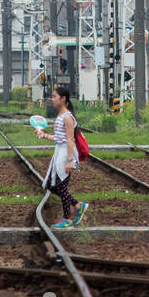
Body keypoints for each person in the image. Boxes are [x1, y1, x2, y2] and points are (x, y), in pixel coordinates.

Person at [37, 84, 88, 228]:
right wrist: (44, 135)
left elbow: (70, 140)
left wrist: (70, 160)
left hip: (66, 154)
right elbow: (59, 138)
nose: (52, 99)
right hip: (59, 152)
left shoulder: (67, 118)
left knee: (61, 187)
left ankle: (67, 219)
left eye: (54, 97)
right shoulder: (60, 115)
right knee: (53, 187)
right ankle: (78, 205)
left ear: (63, 99)